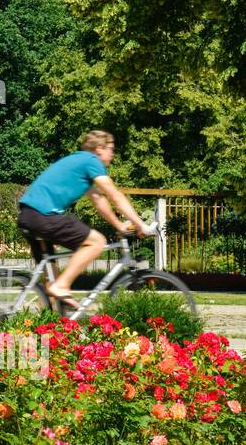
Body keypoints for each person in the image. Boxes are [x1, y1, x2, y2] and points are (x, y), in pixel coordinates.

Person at [17, 130, 151, 310]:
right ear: (100, 148)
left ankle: (51, 322)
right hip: (44, 215)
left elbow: (99, 200)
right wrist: (141, 224)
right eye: (111, 149)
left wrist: (119, 225)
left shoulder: (79, 163)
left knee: (51, 280)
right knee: (97, 242)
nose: (113, 154)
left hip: (29, 215)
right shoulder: (91, 161)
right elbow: (115, 196)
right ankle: (62, 286)